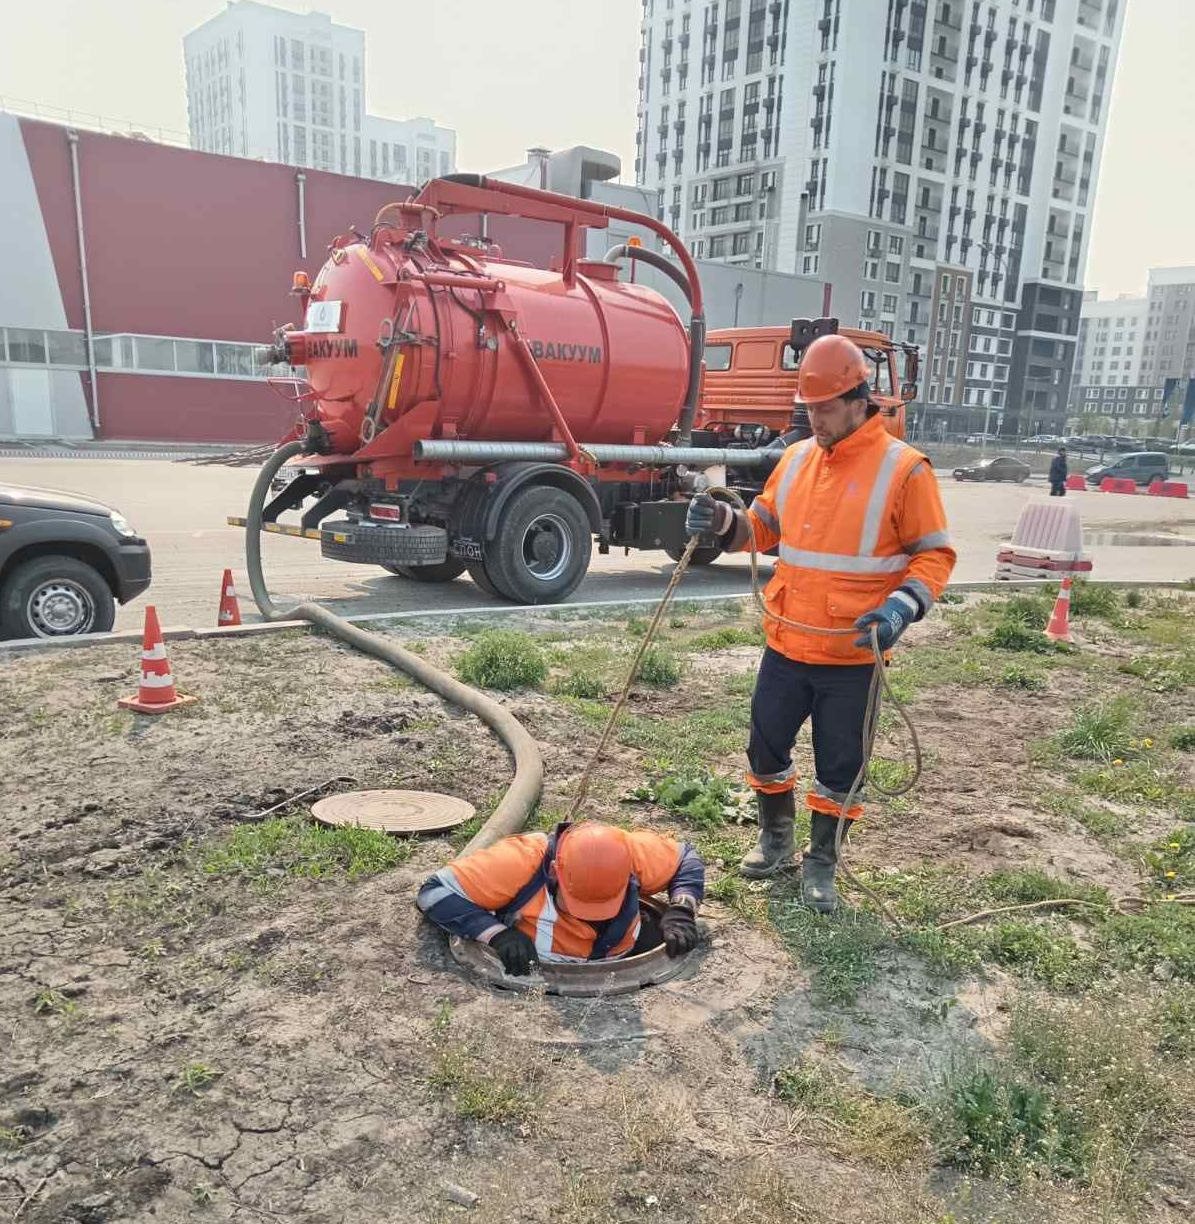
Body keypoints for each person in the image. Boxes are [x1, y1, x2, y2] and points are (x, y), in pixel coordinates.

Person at [685, 333, 956, 913]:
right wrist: (721, 522)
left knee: (840, 767)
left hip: (854, 655)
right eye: (808, 408)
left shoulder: (904, 470)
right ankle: (776, 841)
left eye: (825, 408)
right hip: (787, 640)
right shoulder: (798, 458)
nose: (815, 419)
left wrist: (901, 609)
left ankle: (822, 865)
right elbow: (760, 530)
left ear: (860, 400)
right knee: (765, 748)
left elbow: (934, 556)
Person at [416, 821, 704, 975]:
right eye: (580, 904)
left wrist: (681, 909)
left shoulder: (627, 852)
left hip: (621, 959)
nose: (592, 916)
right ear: (555, 872)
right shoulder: (518, 862)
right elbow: (433, 892)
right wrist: (496, 934)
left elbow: (686, 859)